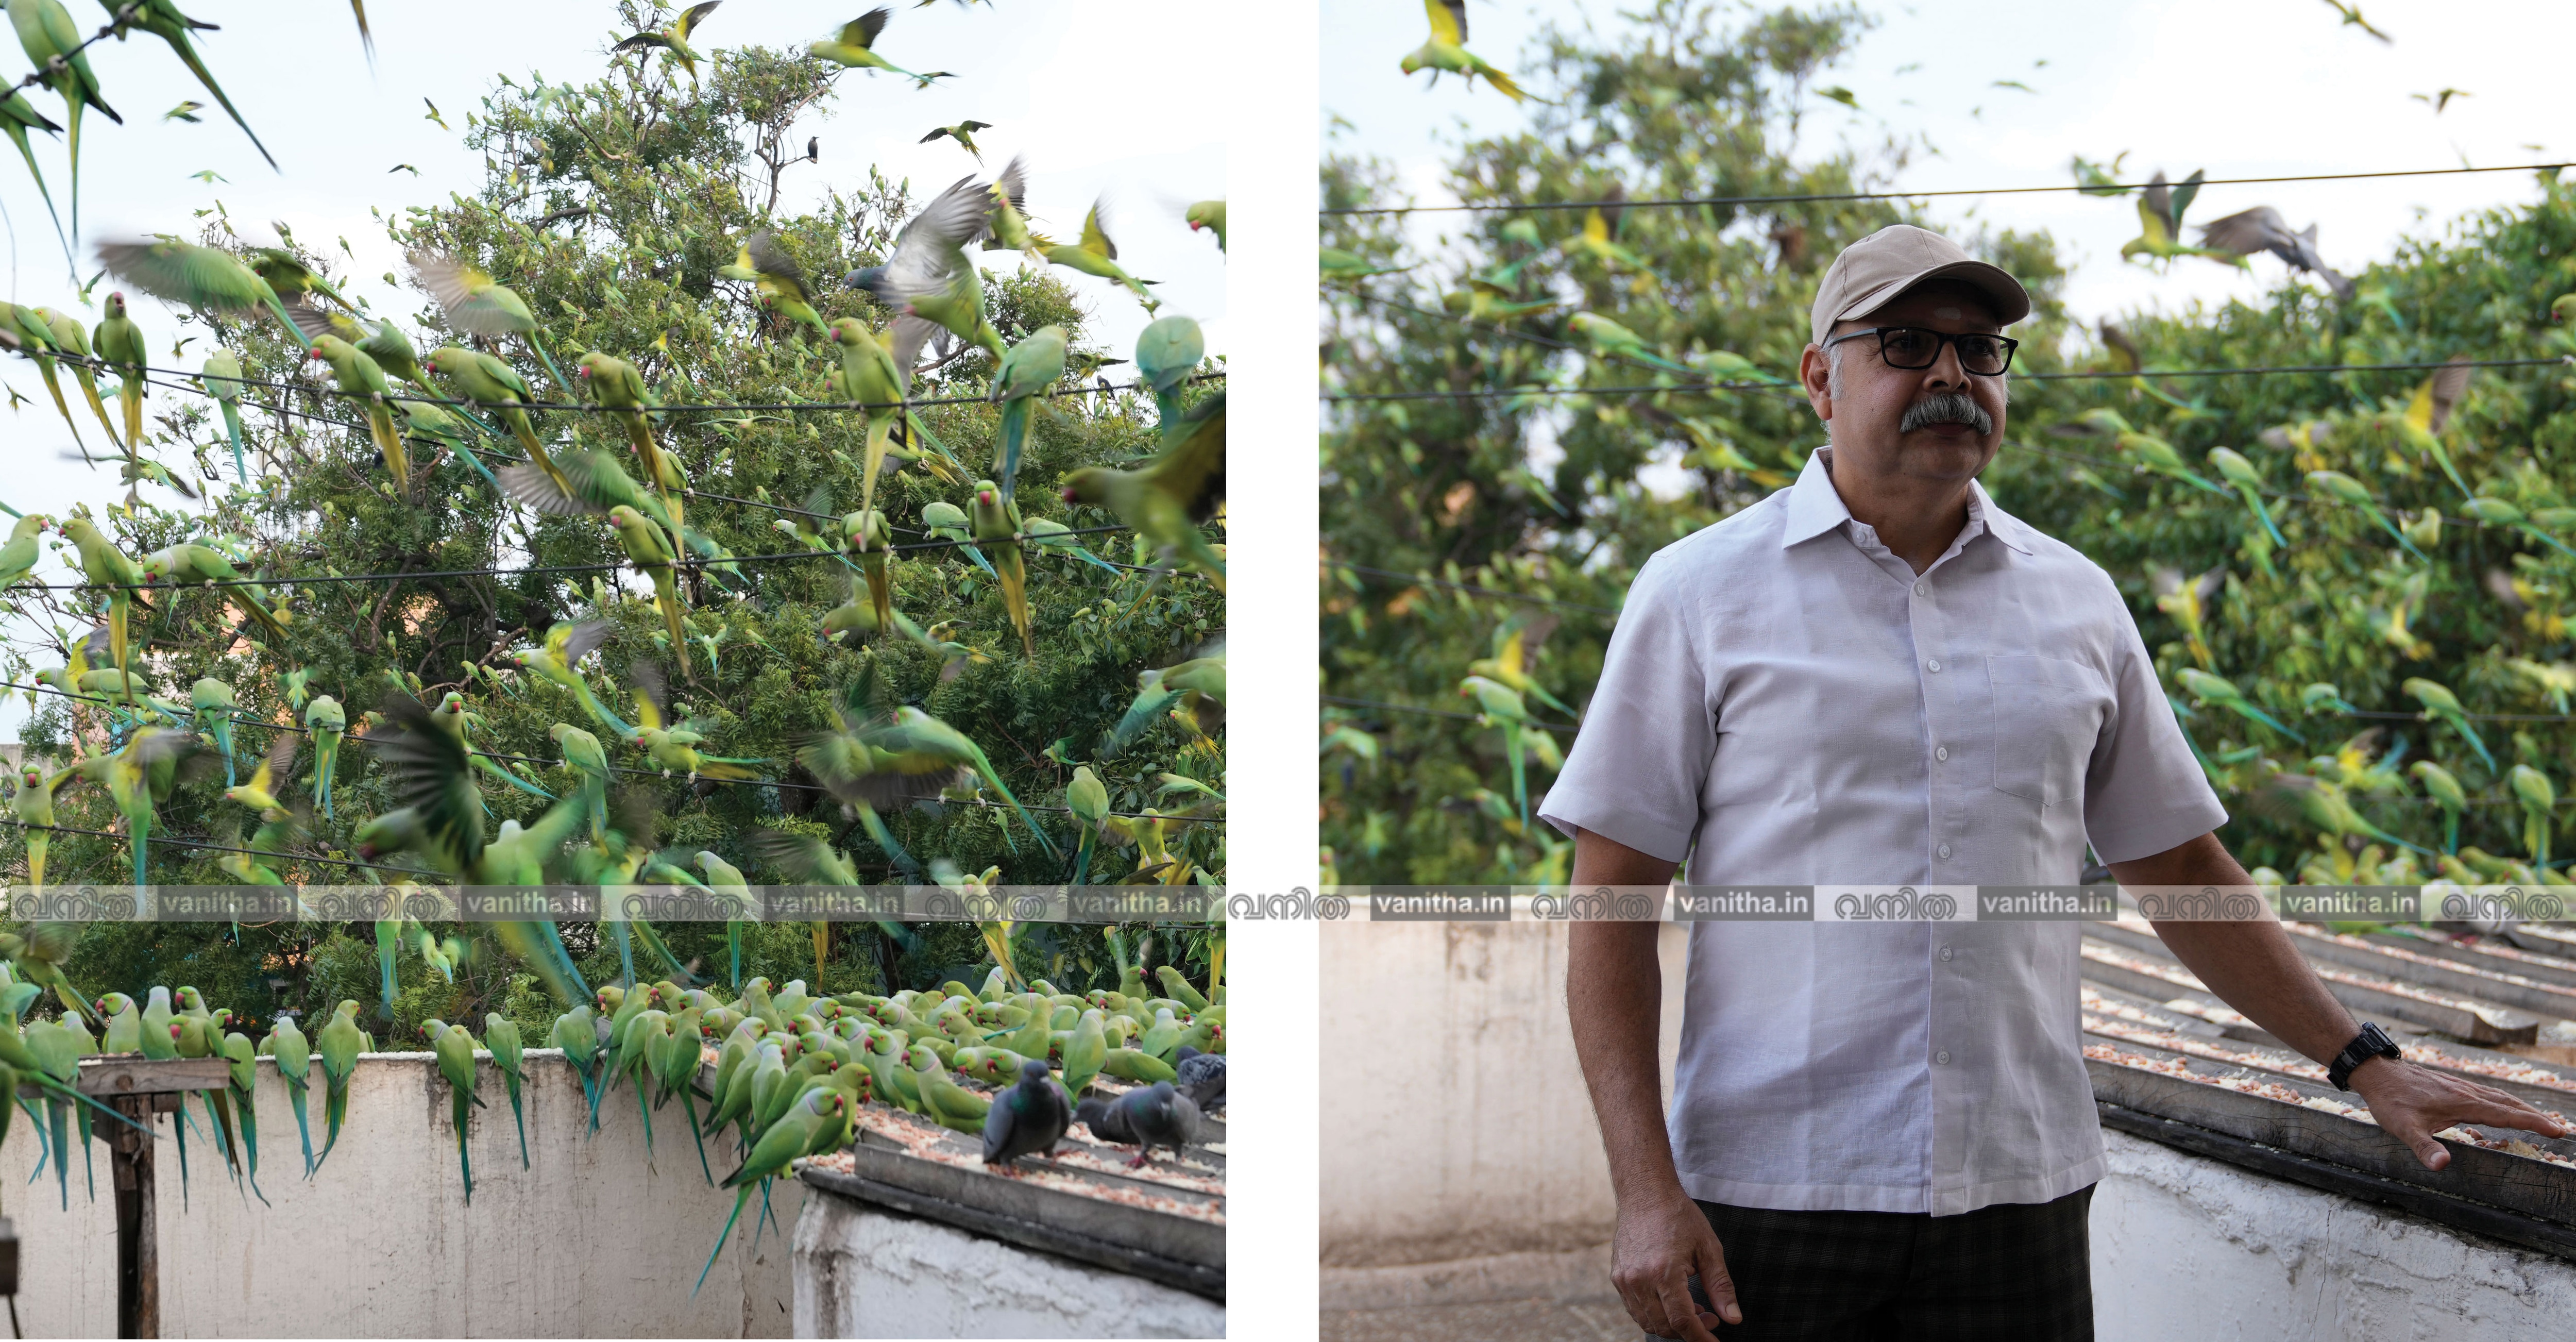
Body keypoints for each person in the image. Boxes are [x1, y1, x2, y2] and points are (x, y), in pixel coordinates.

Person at [1540, 223, 2571, 1342]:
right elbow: (1612, 900)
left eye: (1979, 350)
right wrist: (1646, 1191)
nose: (1949, 374)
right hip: (1772, 1193)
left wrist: (2364, 1062)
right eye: (1904, 344)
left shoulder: (2075, 600)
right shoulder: (1697, 593)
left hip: (2018, 1188)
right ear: (1817, 380)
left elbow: (2177, 863)